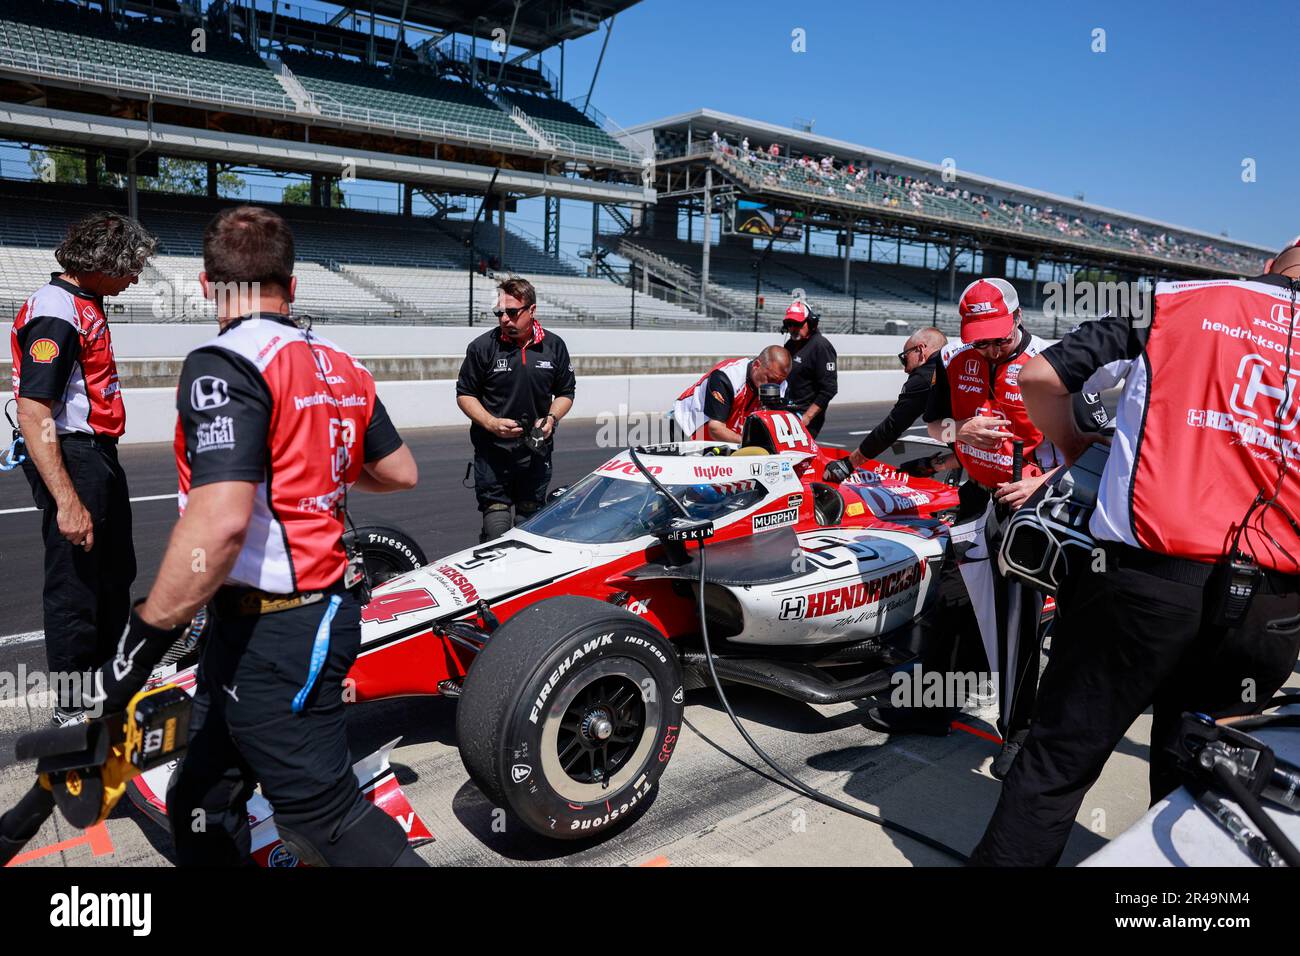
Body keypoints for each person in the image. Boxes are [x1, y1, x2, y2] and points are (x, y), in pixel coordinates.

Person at [86, 206, 423, 866]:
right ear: (290, 287)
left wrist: (135, 649)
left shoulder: (223, 362)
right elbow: (399, 471)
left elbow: (219, 525)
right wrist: (319, 468)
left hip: (280, 630)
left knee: (326, 818)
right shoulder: (339, 361)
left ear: (210, 285)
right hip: (277, 625)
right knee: (203, 799)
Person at [970, 243, 1300, 867]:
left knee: (1057, 763)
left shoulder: (1185, 301)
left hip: (1144, 584)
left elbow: (1039, 377)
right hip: (1272, 607)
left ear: (1267, 271)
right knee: (1200, 782)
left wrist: (1070, 450)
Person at [9, 211, 156, 724]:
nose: (135, 279)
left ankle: (109, 688)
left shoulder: (84, 302)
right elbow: (34, 410)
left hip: (96, 454)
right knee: (76, 584)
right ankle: (72, 709)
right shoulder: (56, 310)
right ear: (103, 262)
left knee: (114, 575)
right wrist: (68, 500)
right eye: (131, 268)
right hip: (71, 453)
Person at [920, 278, 1067, 775]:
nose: (989, 346)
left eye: (998, 337)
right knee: (947, 604)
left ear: (1019, 317)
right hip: (973, 500)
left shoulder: (1053, 365)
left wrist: (1041, 484)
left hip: (1028, 506)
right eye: (979, 337)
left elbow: (1095, 447)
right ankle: (931, 707)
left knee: (1016, 624)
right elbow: (932, 426)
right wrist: (958, 431)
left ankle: (1019, 731)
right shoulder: (954, 360)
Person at [456, 276, 575, 542]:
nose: (504, 319)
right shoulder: (482, 347)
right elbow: (465, 394)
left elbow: (566, 392)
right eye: (500, 312)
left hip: (536, 453)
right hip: (493, 454)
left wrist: (552, 418)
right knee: (497, 530)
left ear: (532, 310)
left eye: (512, 312)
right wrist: (490, 423)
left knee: (530, 527)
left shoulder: (554, 346)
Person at [824, 326, 946, 479]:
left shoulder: (924, 377)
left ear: (920, 350)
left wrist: (848, 464)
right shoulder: (960, 362)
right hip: (977, 454)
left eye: (904, 358)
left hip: (976, 452)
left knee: (935, 428)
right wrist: (936, 464)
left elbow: (891, 428)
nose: (906, 370)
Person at [671, 346, 791, 443]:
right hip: (688, 427)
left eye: (779, 382)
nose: (773, 386)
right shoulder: (727, 376)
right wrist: (749, 443)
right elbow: (716, 429)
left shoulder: (781, 386)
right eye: (770, 379)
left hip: (728, 433)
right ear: (756, 365)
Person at [782, 298, 838, 437]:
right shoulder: (790, 344)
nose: (792, 328)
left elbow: (829, 389)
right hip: (785, 413)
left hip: (805, 418)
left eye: (797, 324)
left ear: (811, 323)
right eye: (789, 324)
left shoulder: (821, 346)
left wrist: (806, 417)